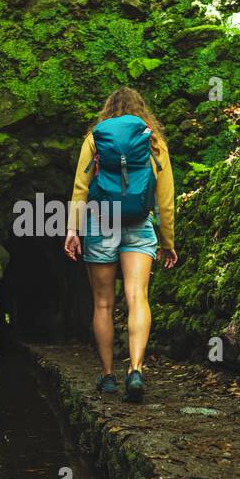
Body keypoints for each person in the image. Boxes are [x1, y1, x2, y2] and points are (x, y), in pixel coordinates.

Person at [63, 87, 177, 402]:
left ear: (108, 111)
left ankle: (108, 375)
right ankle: (136, 369)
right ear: (141, 110)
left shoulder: (94, 138)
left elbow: (80, 187)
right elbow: (164, 198)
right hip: (139, 223)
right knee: (137, 297)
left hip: (101, 222)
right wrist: (167, 240)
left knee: (103, 303)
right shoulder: (153, 141)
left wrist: (73, 229)